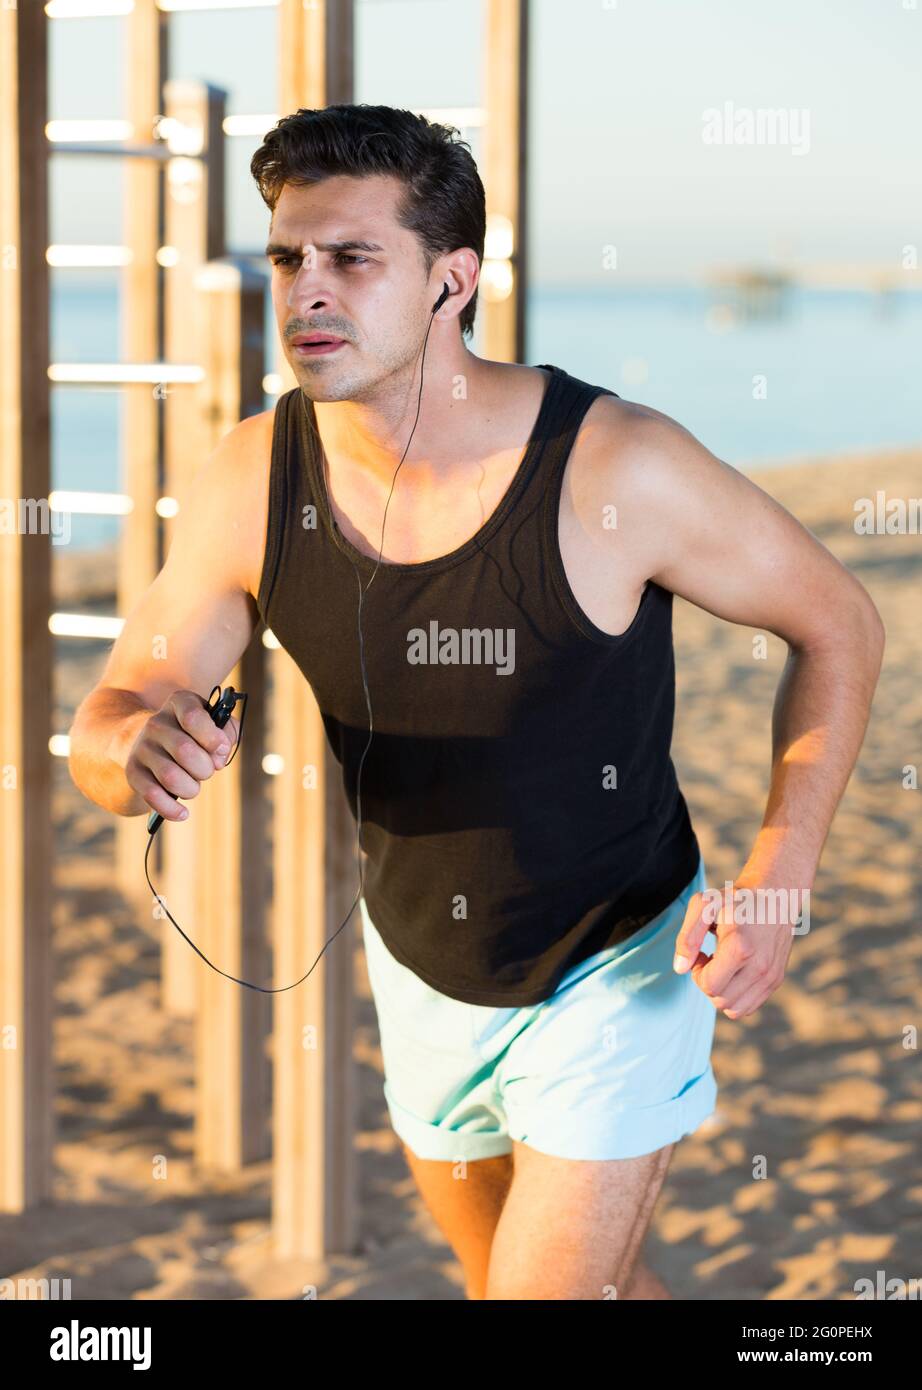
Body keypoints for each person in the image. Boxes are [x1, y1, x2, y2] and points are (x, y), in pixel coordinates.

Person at [68, 104, 884, 1301]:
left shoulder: (617, 465)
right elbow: (114, 710)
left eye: (352, 258)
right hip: (421, 972)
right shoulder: (255, 476)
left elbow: (839, 623)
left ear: (454, 282)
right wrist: (131, 746)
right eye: (290, 258)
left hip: (620, 962)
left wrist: (780, 871)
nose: (306, 292)